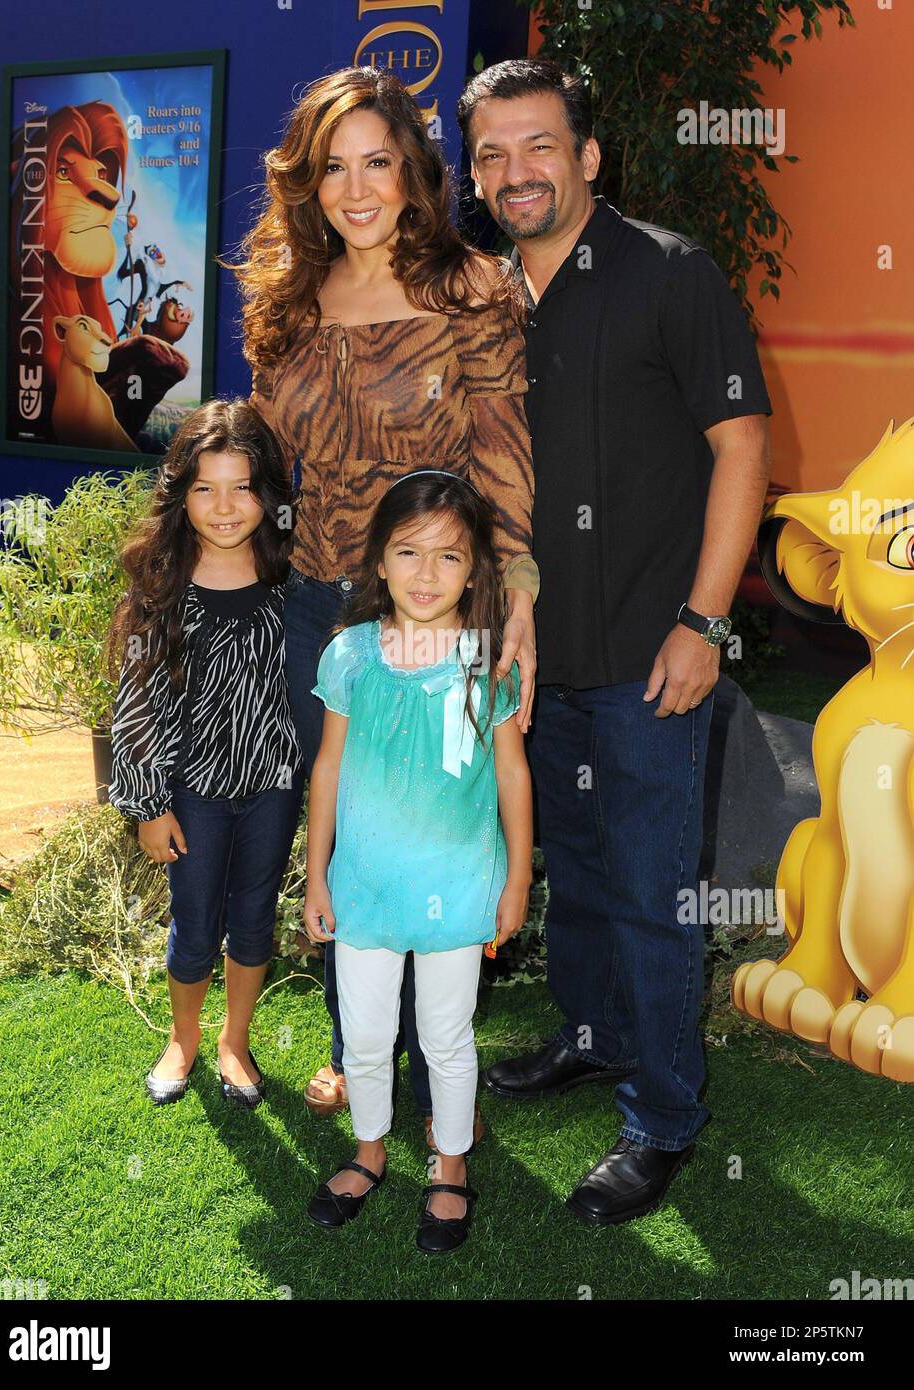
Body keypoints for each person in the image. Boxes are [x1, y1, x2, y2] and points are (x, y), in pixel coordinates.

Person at [456, 59, 773, 1223]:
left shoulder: (667, 272)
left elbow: (743, 446)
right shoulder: (481, 296)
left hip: (653, 655)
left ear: (588, 157)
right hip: (534, 660)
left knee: (649, 892)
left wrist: (703, 622)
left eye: (538, 145)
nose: (515, 172)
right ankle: (591, 1036)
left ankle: (663, 1118)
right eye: (491, 154)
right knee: (575, 873)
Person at [229, 66, 539, 1135]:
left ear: (412, 173)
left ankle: (437, 1056)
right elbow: (263, 461)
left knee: (438, 822)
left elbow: (503, 454)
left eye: (377, 163)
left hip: (436, 610)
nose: (356, 189)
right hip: (319, 609)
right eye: (333, 168)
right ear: (306, 183)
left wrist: (516, 591)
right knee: (350, 826)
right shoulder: (286, 301)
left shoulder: (473, 290)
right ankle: (354, 1045)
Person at [302, 470, 533, 1253]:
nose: (425, 574)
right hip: (363, 889)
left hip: (457, 890)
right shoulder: (349, 655)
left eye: (448, 556)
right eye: (408, 552)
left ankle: (451, 1164)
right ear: (378, 560)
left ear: (474, 571)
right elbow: (327, 768)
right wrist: (316, 875)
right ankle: (368, 1153)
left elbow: (511, 776)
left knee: (446, 1037)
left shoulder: (486, 663)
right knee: (365, 1037)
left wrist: (516, 879)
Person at [107, 399, 303, 1107]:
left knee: (254, 917)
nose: (224, 508)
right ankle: (183, 1036)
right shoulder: (162, 584)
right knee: (193, 922)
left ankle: (235, 1039)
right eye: (204, 489)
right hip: (191, 791)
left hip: (272, 784)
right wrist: (147, 804)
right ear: (180, 494)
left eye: (242, 488)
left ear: (267, 493)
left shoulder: (292, 578)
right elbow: (136, 702)